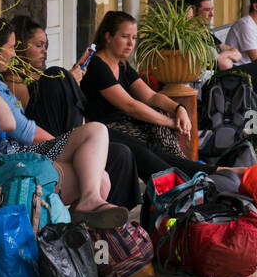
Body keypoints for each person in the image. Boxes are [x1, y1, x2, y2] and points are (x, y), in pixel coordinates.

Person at [0, 18, 129, 226]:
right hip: (12, 160)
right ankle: (87, 206)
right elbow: (15, 126)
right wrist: (66, 144)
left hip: (23, 151)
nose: (13, 54)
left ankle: (85, 213)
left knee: (103, 173)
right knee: (96, 131)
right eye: (11, 48)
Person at [81, 11, 205, 178]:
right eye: (125, 36)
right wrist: (170, 122)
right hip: (106, 129)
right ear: (108, 36)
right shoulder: (96, 65)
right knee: (158, 130)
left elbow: (151, 96)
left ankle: (182, 173)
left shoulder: (122, 65)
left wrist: (178, 109)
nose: (131, 44)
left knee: (159, 119)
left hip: (126, 124)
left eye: (134, 38)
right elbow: (129, 106)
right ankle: (183, 174)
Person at [184, 0, 257, 151]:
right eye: (206, 10)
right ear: (193, 12)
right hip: (215, 80)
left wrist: (225, 56)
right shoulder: (188, 37)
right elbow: (223, 63)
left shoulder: (205, 34)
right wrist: (224, 57)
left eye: (212, 9)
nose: (212, 14)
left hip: (227, 72)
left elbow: (233, 52)